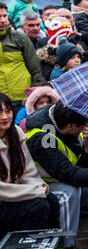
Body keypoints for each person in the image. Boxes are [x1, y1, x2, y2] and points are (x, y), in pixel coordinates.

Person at [23, 101, 88, 248]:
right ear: (70, 126)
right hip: (41, 187)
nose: (85, 128)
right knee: (69, 191)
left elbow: (87, 168)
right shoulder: (41, 137)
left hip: (65, 179)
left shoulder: (71, 122)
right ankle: (67, 247)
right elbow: (68, 173)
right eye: (81, 126)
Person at [0, 92, 55, 234]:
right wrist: (34, 191)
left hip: (15, 195)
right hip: (4, 200)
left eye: (8, 111)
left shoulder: (15, 132)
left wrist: (38, 185)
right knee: (39, 206)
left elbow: (28, 170)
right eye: (0, 112)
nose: (5, 117)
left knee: (52, 200)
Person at [0, 6, 41, 101]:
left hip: (22, 98)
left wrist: (34, 94)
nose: (3, 20)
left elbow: (35, 70)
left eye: (5, 16)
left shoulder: (20, 38)